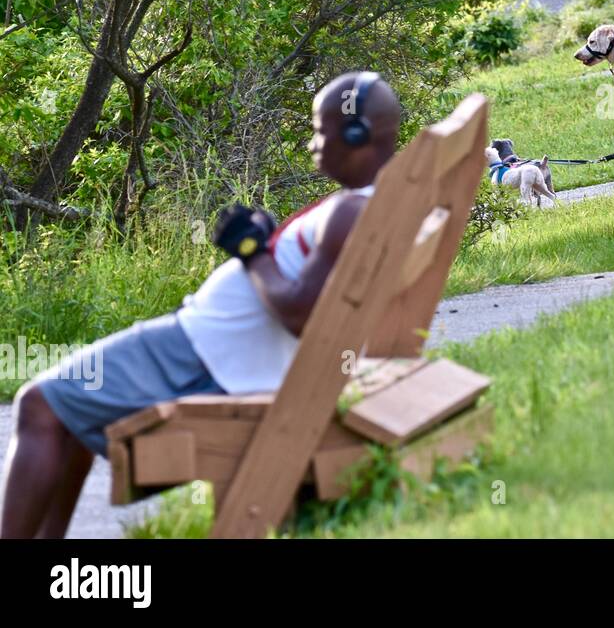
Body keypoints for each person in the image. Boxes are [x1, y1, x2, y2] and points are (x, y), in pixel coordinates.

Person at [0, 71, 400, 539]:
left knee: (39, 405)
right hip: (223, 352)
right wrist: (266, 242)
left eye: (320, 130)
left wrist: (252, 252)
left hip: (209, 354)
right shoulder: (372, 204)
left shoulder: (353, 212)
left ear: (355, 134)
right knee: (65, 415)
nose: (313, 142)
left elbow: (300, 313)